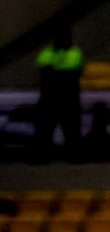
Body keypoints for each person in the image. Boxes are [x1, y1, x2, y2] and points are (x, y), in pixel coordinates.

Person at [33, 25, 84, 154]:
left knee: (72, 130)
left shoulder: (75, 53)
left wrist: (54, 73)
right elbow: (45, 73)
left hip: (67, 98)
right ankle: (43, 154)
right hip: (51, 98)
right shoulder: (46, 53)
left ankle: (74, 154)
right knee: (44, 130)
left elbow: (73, 73)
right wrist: (61, 74)